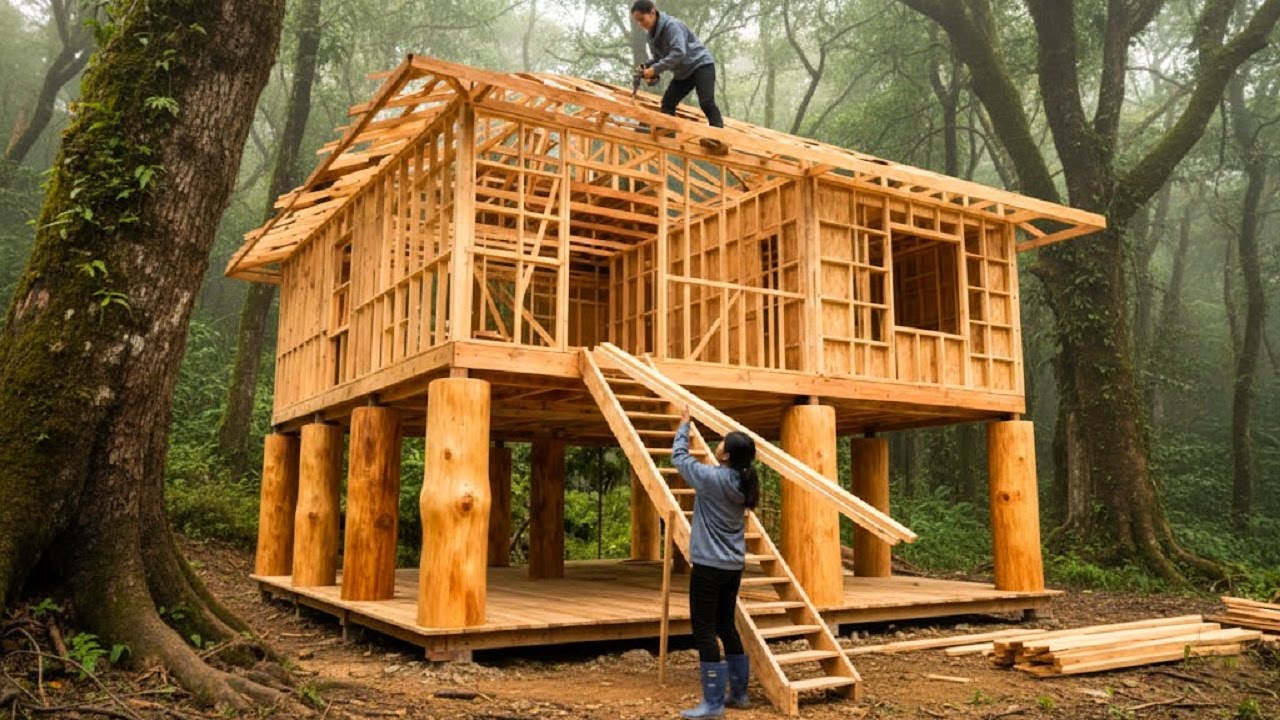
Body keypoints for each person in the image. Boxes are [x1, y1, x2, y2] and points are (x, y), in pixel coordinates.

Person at [671, 406, 760, 718]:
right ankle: (739, 694)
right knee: (725, 624)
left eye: (722, 442)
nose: (718, 444)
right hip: (733, 566)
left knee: (704, 630)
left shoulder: (711, 478)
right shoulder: (742, 481)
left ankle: (712, 704)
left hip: (709, 566)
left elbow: (679, 458)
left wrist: (684, 425)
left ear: (725, 455)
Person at [630, 0, 728, 154]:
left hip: (701, 65)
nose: (640, 24)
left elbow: (678, 52)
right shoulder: (651, 36)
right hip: (684, 72)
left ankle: (719, 137)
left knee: (706, 102)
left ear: (652, 13)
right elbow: (658, 57)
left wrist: (655, 69)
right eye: (637, 21)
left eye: (642, 19)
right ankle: (667, 131)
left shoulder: (672, 26)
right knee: (668, 103)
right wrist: (647, 66)